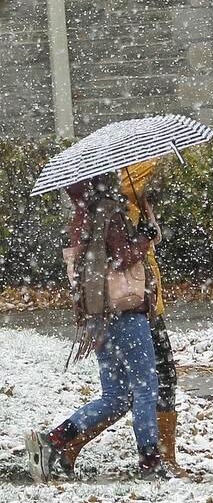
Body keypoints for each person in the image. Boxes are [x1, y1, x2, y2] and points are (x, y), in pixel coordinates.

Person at [24, 173, 166, 481]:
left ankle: (55, 439)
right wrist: (146, 236)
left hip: (98, 318)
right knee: (145, 389)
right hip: (125, 313)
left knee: (116, 396)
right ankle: (151, 463)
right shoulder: (108, 213)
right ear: (102, 179)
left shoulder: (80, 218)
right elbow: (123, 257)